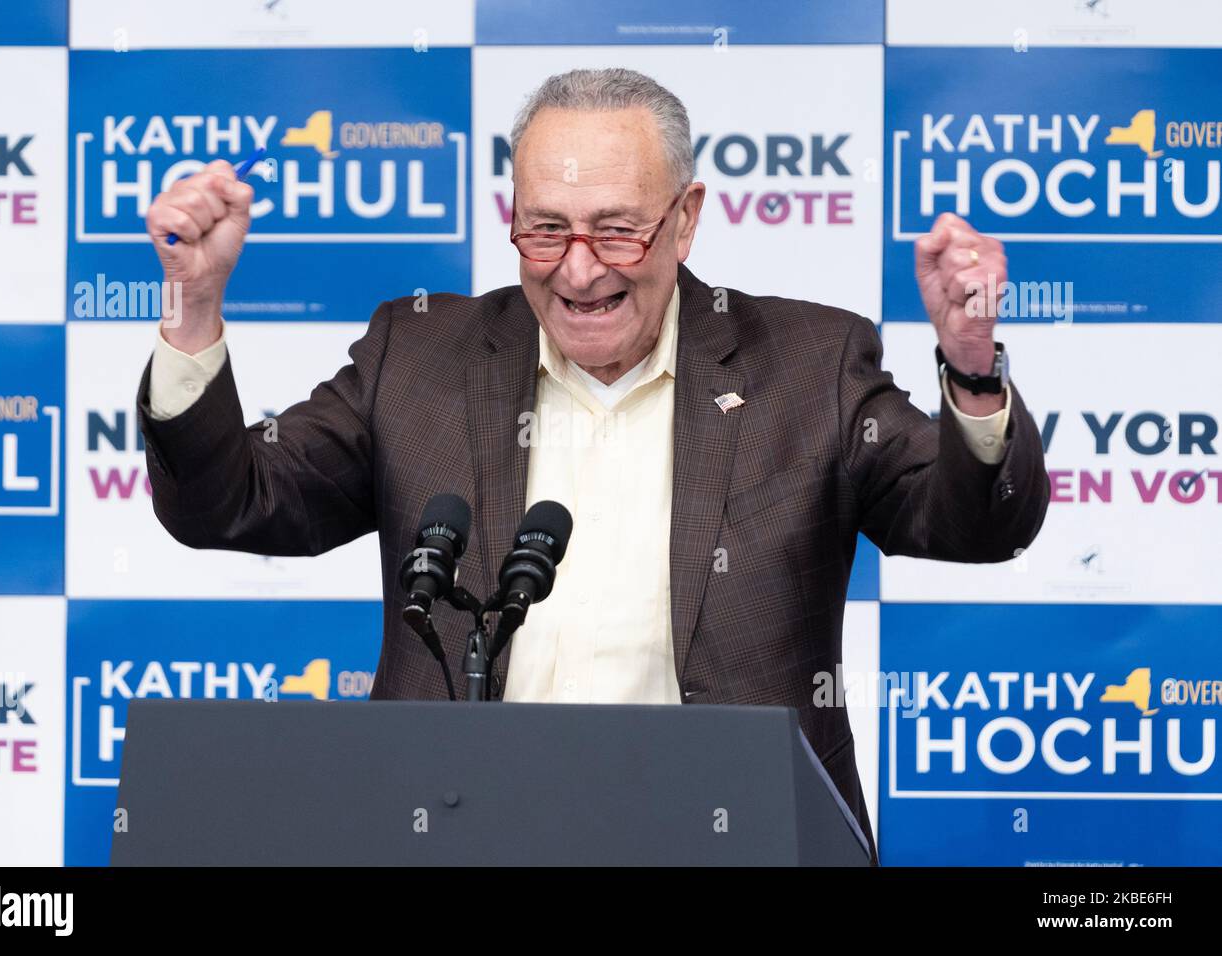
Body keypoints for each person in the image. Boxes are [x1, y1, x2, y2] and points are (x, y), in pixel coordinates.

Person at [137, 68, 1049, 863]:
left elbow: (976, 525)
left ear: (686, 219)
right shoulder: (416, 359)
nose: (578, 272)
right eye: (546, 232)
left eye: (618, 232)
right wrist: (193, 305)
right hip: (462, 842)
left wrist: (971, 372)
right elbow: (232, 504)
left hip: (731, 848)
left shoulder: (810, 365)